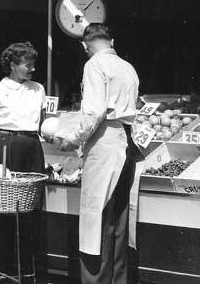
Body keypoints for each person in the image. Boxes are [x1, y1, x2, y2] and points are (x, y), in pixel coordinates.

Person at [53, 23, 140, 284]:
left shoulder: (93, 65)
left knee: (96, 216)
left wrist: (72, 140)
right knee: (118, 220)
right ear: (111, 41)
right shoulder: (128, 67)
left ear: (84, 45)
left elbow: (93, 112)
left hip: (104, 143)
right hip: (126, 142)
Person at [0, 41, 46, 278]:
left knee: (32, 212)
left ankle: (28, 274)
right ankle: (0, 274)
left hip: (32, 148)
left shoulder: (38, 88)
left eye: (33, 64)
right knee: (4, 213)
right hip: (5, 147)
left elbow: (44, 123)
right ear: (12, 65)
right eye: (27, 65)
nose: (32, 69)